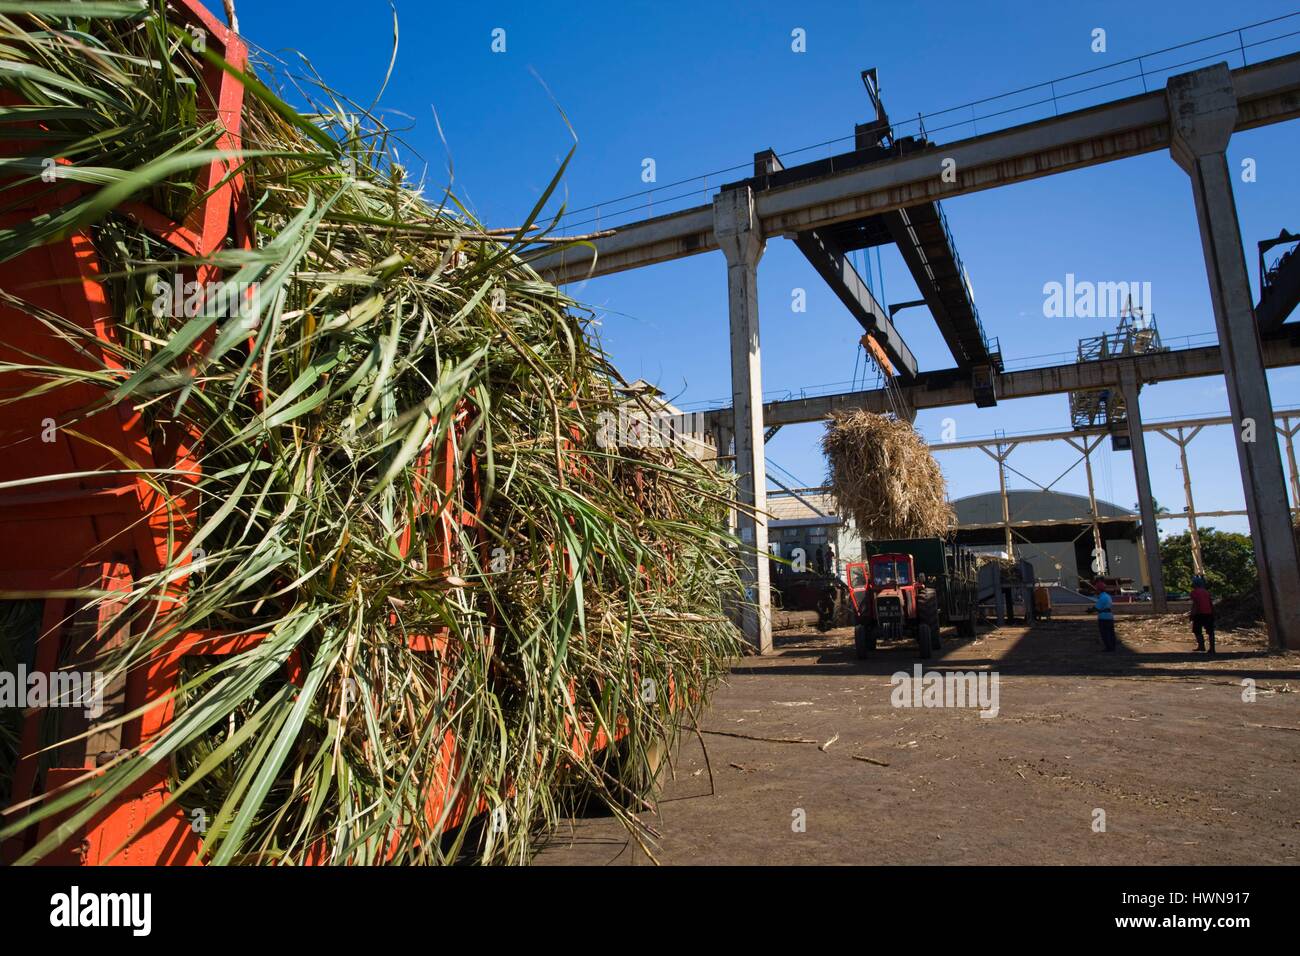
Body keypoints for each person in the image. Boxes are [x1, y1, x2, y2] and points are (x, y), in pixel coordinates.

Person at [1190, 575, 1216, 655]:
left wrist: (1192, 614)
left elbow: (1195, 604)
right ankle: (1212, 648)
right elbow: (1210, 603)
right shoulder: (1206, 592)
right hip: (1208, 613)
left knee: (1197, 630)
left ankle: (1201, 646)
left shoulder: (1194, 592)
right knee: (1210, 631)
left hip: (1199, 613)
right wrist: (1213, 612)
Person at [1094, 583, 1116, 651]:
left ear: (1099, 590)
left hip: (1103, 617)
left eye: (1096, 589)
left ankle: (1108, 647)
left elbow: (1097, 608)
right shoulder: (1108, 596)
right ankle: (1112, 646)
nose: (1096, 591)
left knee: (1104, 633)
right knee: (1111, 633)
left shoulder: (1102, 597)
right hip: (1110, 616)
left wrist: (1090, 610)